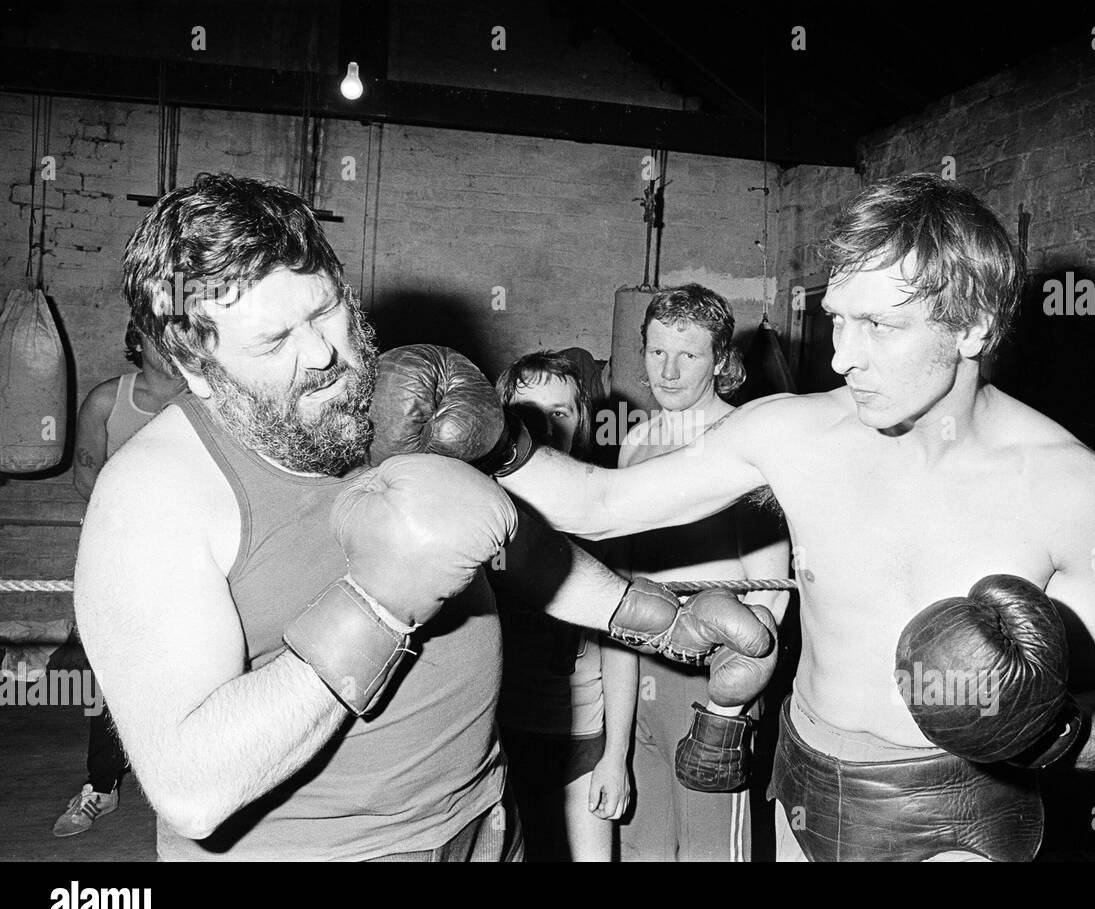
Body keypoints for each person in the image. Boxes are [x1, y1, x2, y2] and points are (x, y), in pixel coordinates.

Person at [73, 173, 777, 862]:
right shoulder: (151, 494)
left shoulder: (393, 397)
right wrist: (377, 607)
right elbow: (191, 787)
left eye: (326, 312)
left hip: (485, 820)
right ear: (197, 364)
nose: (322, 354)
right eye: (273, 340)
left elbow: (525, 534)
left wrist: (655, 614)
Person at [497, 173, 1095, 861]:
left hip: (956, 810)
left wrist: (1041, 729)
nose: (841, 354)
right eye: (839, 316)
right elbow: (599, 505)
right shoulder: (792, 432)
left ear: (975, 325)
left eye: (879, 324)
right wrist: (494, 441)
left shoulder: (1072, 489)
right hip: (805, 783)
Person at [615, 285, 790, 862]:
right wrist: (614, 743)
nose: (666, 371)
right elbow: (620, 592)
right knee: (644, 849)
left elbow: (771, 597)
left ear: (720, 360)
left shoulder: (748, 444)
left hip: (716, 677)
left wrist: (726, 708)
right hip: (641, 668)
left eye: (687, 355)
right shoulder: (637, 441)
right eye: (656, 351)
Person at [492, 350, 638, 861]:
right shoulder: (481, 509)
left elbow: (623, 644)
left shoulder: (603, 515)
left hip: (580, 734)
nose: (547, 428)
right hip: (498, 739)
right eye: (529, 414)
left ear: (582, 421)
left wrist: (615, 755)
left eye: (561, 412)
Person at [53, 325, 187, 837]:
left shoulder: (212, 399)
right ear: (138, 341)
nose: (172, 345)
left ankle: (187, 783)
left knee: (190, 672)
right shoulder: (109, 399)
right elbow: (87, 477)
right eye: (160, 335)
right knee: (109, 673)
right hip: (121, 558)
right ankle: (102, 787)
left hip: (194, 562)